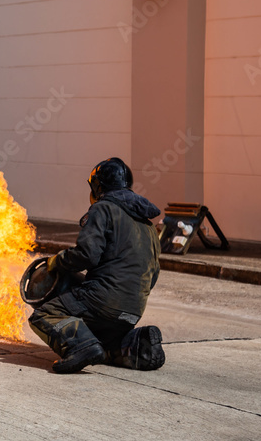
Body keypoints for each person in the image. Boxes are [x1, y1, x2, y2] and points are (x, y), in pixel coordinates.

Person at [29, 157, 165, 374]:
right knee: (103, 341)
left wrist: (58, 261)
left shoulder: (103, 209)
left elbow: (86, 255)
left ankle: (80, 347)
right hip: (133, 310)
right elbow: (154, 273)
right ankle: (137, 344)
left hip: (103, 301)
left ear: (98, 186)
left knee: (44, 315)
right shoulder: (148, 225)